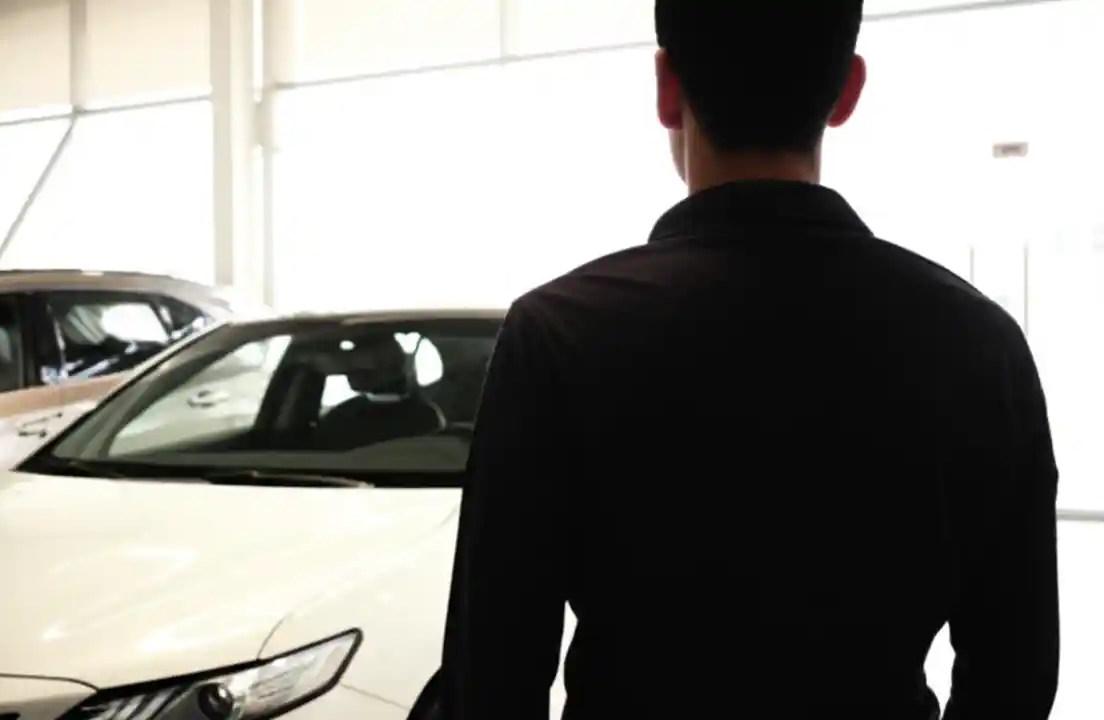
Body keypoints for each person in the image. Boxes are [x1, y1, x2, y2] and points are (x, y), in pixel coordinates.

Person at [440, 2, 1060, 719]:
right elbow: (1015, 675)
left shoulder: (556, 335)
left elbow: (492, 675)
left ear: (667, 89)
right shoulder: (980, 342)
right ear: (847, 92)